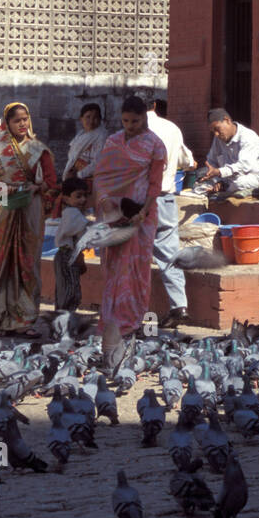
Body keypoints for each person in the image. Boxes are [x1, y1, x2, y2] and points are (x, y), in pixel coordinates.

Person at [0, 102, 58, 334]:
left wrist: (36, 188)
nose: (22, 124)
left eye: (24, 119)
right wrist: (5, 189)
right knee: (1, 264)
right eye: (16, 120)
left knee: (28, 264)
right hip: (5, 213)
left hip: (30, 212)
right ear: (6, 123)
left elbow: (52, 184)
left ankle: (24, 321)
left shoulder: (39, 150)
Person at [93, 96, 167, 369]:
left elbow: (154, 185)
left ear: (145, 118)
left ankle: (133, 322)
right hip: (114, 216)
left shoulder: (155, 146)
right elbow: (101, 177)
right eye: (125, 121)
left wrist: (143, 211)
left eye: (135, 121)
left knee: (136, 269)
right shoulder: (113, 141)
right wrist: (106, 204)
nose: (130, 126)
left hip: (141, 217)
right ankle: (111, 321)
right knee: (113, 268)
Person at [146, 97, 195, 327]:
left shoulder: (130, 132)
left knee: (137, 256)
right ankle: (179, 305)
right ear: (154, 106)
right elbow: (188, 161)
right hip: (166, 198)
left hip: (140, 200)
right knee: (169, 253)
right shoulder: (172, 128)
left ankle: (139, 315)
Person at [200, 108, 259, 199]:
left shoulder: (247, 137)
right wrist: (217, 180)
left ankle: (228, 190)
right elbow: (212, 162)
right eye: (213, 131)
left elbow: (244, 166)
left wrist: (219, 172)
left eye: (217, 129)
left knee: (239, 183)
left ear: (227, 120)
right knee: (201, 179)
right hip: (230, 180)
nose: (216, 134)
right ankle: (223, 188)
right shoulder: (218, 139)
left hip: (257, 177)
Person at [53, 176, 91, 313]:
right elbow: (80, 231)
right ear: (66, 198)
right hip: (67, 256)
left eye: (85, 196)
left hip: (68, 256)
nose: (83, 200)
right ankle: (64, 323)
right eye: (78, 196)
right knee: (69, 292)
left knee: (68, 289)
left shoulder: (75, 214)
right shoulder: (72, 214)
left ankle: (63, 322)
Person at [62, 102, 107, 182]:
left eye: (95, 117)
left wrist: (79, 175)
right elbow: (72, 156)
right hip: (75, 174)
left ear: (100, 120)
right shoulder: (80, 135)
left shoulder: (102, 136)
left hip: (90, 177)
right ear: (81, 119)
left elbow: (99, 162)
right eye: (88, 117)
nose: (91, 121)